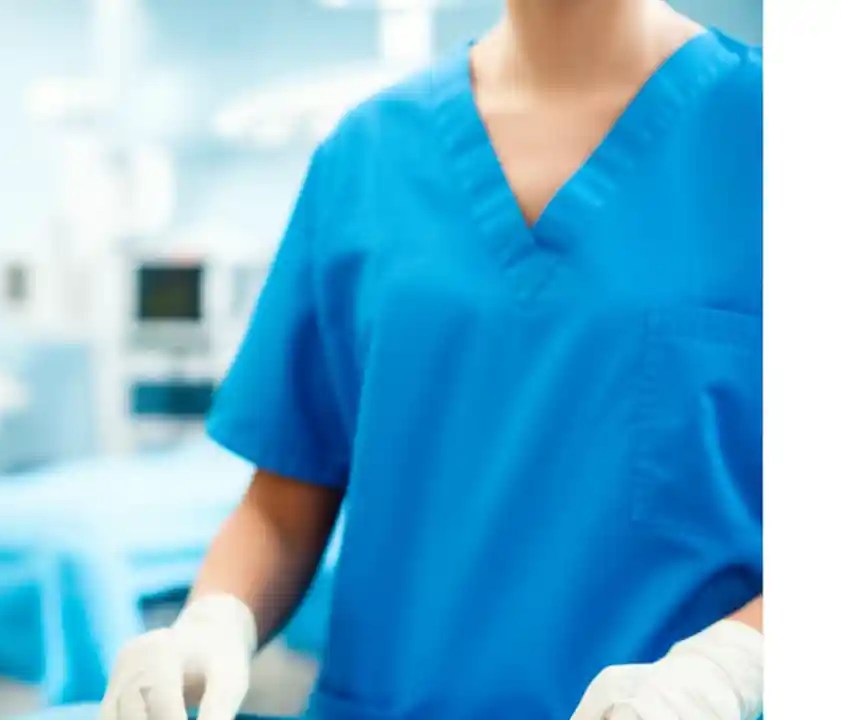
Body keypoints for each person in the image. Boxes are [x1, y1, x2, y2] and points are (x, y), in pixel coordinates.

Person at [100, 0, 762, 717]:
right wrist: (213, 624)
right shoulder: (368, 154)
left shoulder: (776, 139)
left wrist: (726, 670)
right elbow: (283, 508)